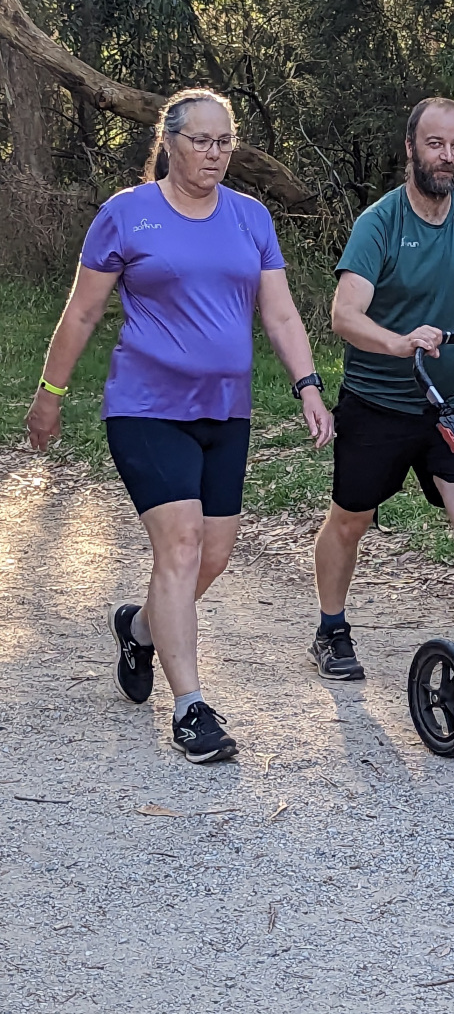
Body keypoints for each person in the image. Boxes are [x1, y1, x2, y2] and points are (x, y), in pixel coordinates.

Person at [25, 88, 334, 763]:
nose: (216, 154)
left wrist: (308, 385)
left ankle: (139, 628)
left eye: (226, 142)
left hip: (227, 410)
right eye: (202, 141)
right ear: (169, 142)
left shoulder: (251, 218)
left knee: (215, 554)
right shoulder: (126, 216)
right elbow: (81, 314)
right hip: (145, 408)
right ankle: (191, 707)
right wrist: (50, 394)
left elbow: (279, 315)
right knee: (184, 545)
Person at [310, 96, 454, 680]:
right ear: (410, 149)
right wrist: (399, 342)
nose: (447, 156)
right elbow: (344, 315)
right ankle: (331, 628)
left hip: (448, 405)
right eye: (435, 144)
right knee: (351, 519)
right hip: (378, 401)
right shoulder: (379, 223)